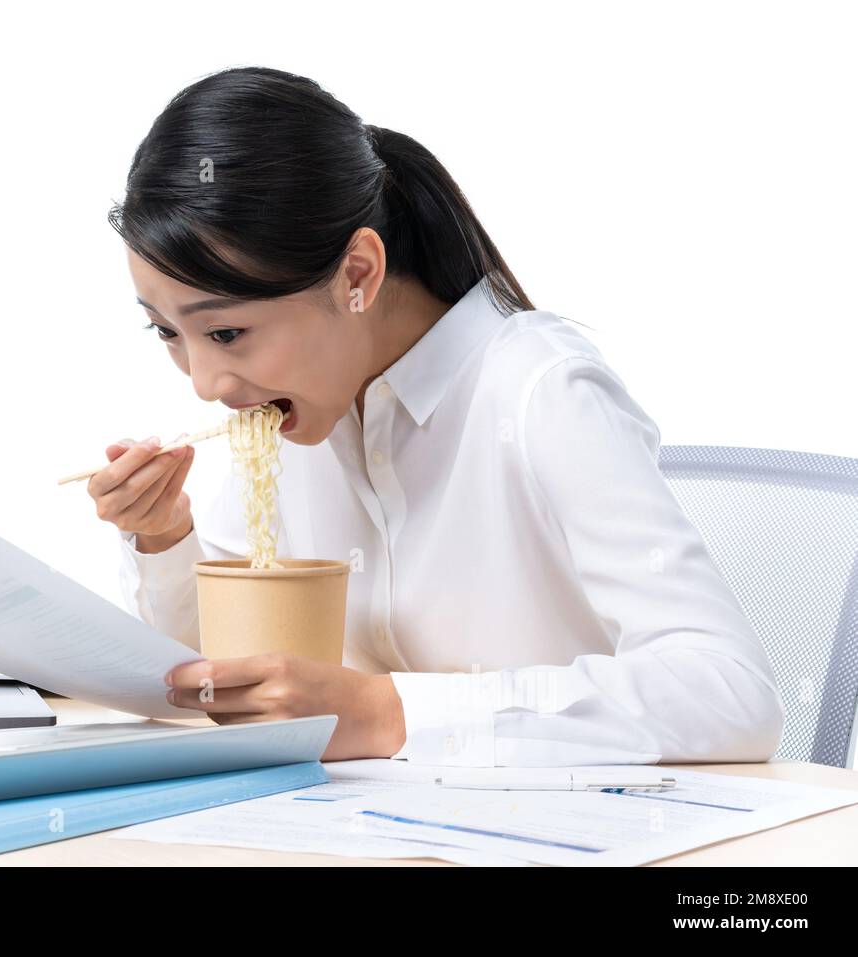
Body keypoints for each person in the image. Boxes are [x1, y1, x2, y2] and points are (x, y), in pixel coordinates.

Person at [86, 66, 785, 765]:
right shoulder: (297, 411)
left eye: (227, 333)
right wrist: (164, 537)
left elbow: (732, 693)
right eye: (166, 332)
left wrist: (385, 711)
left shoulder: (538, 389)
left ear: (357, 274)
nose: (206, 383)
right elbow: (230, 676)